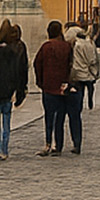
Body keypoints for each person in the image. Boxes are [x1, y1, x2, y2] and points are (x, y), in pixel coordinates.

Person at [0, 21, 28, 160]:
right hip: (9, 91)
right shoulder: (13, 52)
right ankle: (5, 149)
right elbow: (18, 72)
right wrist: (18, 90)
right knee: (6, 121)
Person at [34, 21, 73, 157]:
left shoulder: (46, 47)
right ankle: (59, 144)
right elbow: (70, 65)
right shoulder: (67, 46)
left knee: (49, 116)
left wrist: (40, 82)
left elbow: (37, 64)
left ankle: (48, 143)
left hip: (48, 87)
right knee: (60, 118)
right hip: (63, 86)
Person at [67, 22, 100, 144]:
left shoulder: (76, 45)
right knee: (89, 86)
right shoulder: (90, 43)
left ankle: (81, 105)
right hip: (88, 73)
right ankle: (90, 99)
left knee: (79, 95)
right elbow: (94, 59)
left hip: (78, 75)